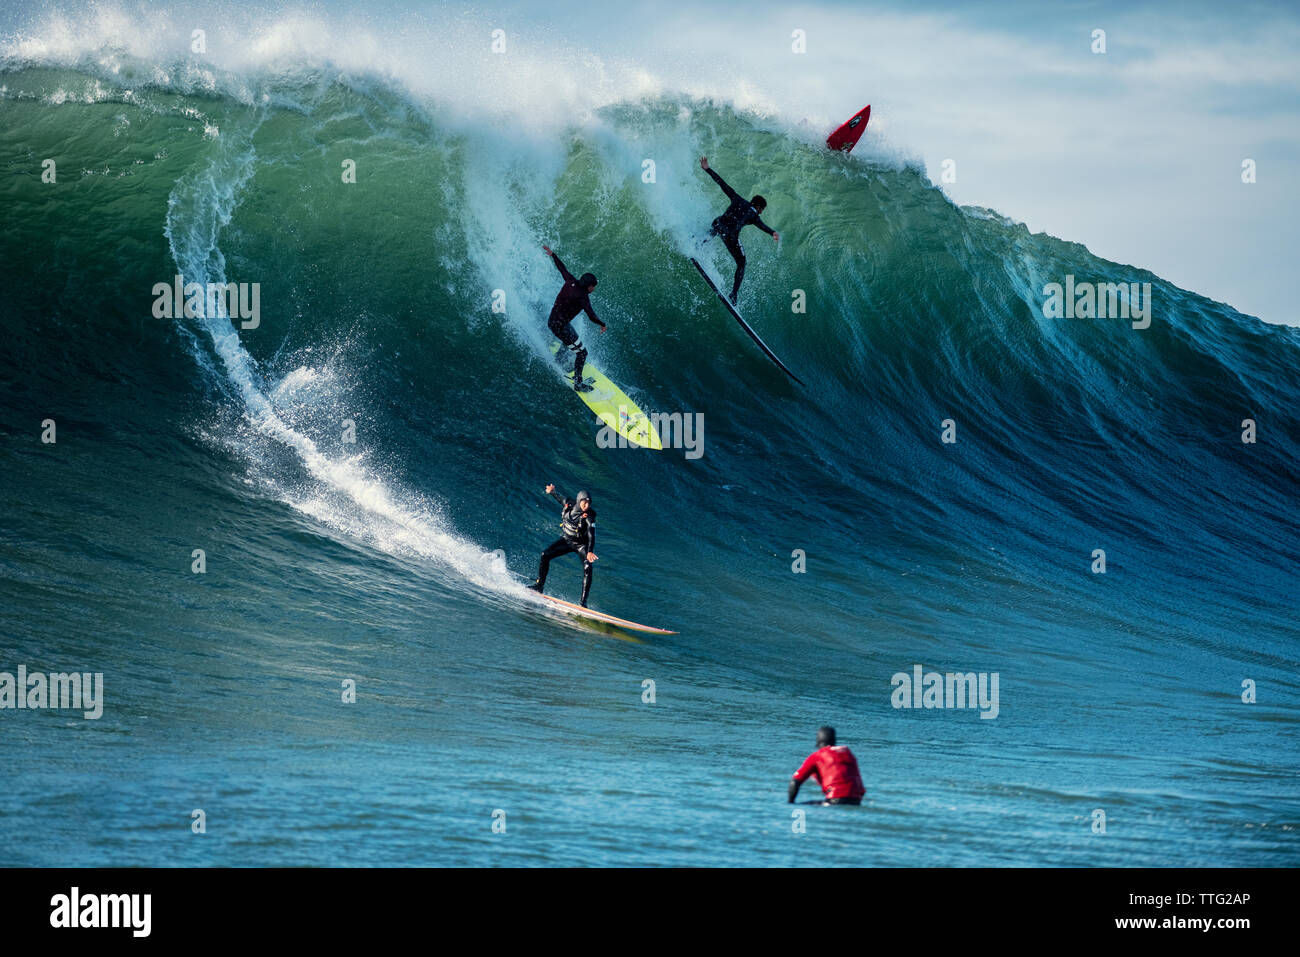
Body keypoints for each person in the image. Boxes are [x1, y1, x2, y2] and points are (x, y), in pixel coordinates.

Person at [699, 156, 779, 302]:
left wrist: (707, 169)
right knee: (742, 263)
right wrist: (772, 232)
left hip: (718, 224)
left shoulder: (737, 198)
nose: (761, 212)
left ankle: (697, 245)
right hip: (730, 236)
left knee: (716, 227)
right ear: (758, 207)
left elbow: (722, 184)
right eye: (762, 210)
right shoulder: (754, 214)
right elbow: (762, 226)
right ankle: (734, 294)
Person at [541, 244, 606, 392]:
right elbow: (591, 315)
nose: (594, 289)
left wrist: (553, 255)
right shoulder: (582, 297)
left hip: (553, 321)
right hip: (560, 326)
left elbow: (562, 269)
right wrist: (602, 324)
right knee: (583, 353)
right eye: (593, 286)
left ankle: (558, 360)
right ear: (588, 286)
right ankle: (578, 383)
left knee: (572, 338)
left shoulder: (570, 281)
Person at [529, 484, 599, 607]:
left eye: (589, 503)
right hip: (566, 540)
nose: (587, 506)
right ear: (579, 500)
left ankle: (583, 603)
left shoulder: (590, 516)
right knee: (545, 555)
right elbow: (560, 498)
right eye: (584, 503)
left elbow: (591, 534)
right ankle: (539, 586)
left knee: (588, 568)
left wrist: (590, 551)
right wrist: (552, 491)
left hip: (581, 545)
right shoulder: (570, 503)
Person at [788, 726, 865, 805]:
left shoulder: (817, 756)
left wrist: (790, 803)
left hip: (836, 799)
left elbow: (794, 782)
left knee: (802, 805)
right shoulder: (848, 753)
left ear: (817, 741)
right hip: (857, 800)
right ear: (834, 740)